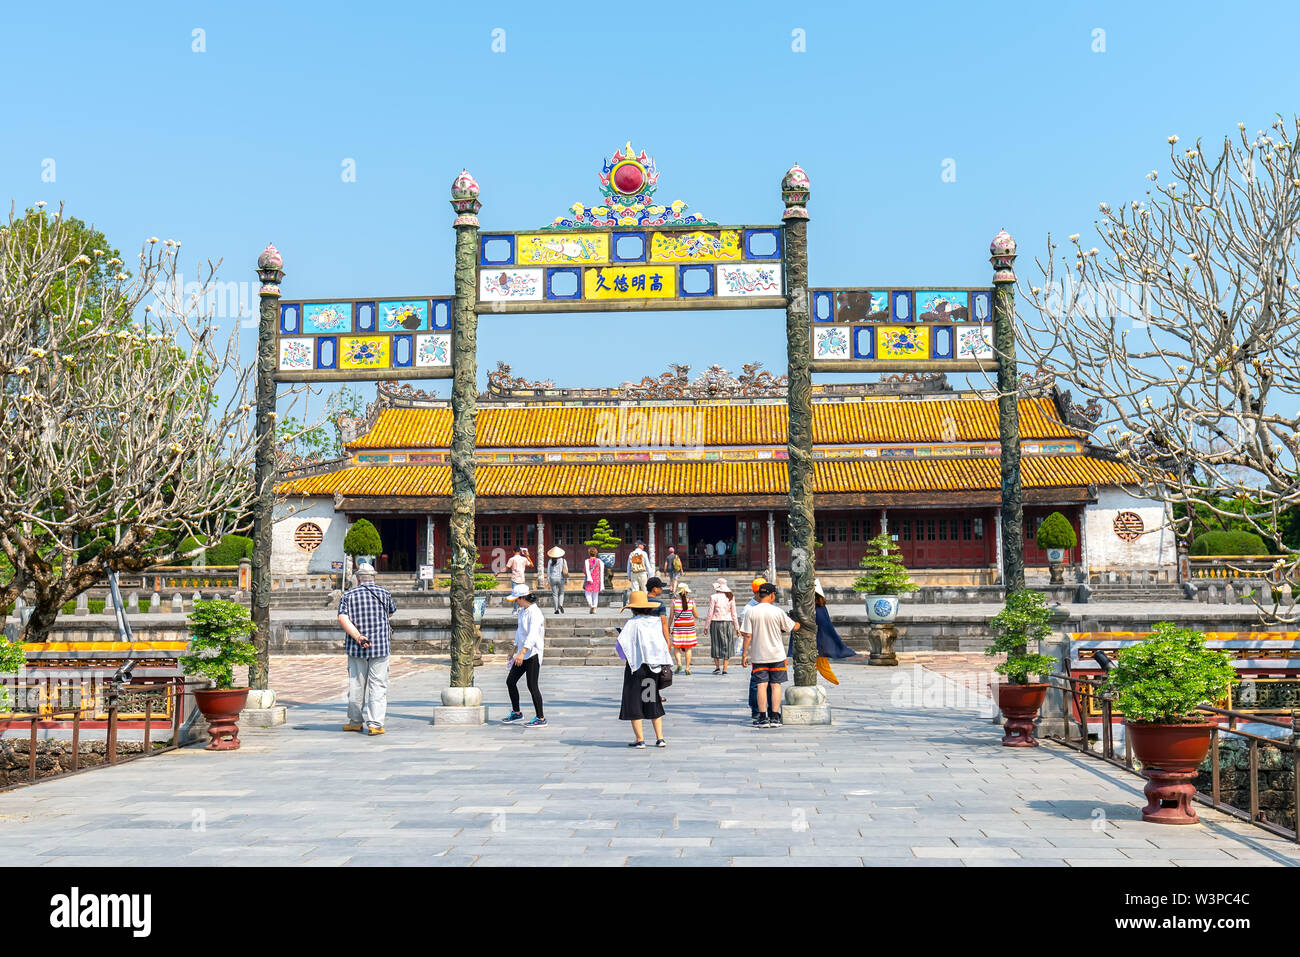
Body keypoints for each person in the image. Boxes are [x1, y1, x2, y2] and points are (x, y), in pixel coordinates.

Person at [337, 562, 397, 736]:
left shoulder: (348, 595)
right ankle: (376, 724)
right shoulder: (384, 593)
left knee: (356, 685)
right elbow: (391, 612)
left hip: (357, 646)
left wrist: (358, 636)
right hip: (380, 646)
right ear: (373, 577)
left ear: (358, 578)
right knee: (378, 685)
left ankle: (356, 721)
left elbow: (342, 618)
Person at [615, 590, 674, 748]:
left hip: (636, 668)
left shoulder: (632, 623)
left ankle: (640, 739)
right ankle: (660, 738)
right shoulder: (655, 622)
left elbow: (621, 646)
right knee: (651, 700)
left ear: (633, 609)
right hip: (653, 668)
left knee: (634, 701)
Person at [740, 582, 799, 728]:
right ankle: (774, 716)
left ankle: (763, 717)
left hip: (759, 655)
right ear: (772, 595)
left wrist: (744, 654)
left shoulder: (751, 611)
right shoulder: (777, 611)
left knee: (761, 685)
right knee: (776, 685)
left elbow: (747, 635)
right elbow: (792, 627)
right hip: (777, 655)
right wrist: (800, 622)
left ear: (760, 594)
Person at [797, 579, 859, 684]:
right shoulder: (819, 607)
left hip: (815, 640)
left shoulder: (817, 608)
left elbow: (822, 625)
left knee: (818, 665)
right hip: (814, 640)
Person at [501, 592, 547, 727]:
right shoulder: (522, 612)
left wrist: (522, 653)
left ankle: (541, 717)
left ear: (522, 598)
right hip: (522, 652)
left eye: (516, 599)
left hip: (532, 653)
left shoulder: (535, 613)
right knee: (510, 681)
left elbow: (532, 635)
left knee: (532, 686)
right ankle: (516, 712)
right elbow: (520, 632)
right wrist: (514, 650)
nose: (515, 602)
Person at [705, 577, 739, 675]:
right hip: (727, 623)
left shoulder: (713, 597)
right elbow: (734, 614)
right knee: (727, 645)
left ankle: (717, 667)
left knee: (715, 644)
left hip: (715, 622)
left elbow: (710, 612)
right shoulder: (731, 597)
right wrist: (737, 628)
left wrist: (706, 626)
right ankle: (725, 669)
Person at [670, 583, 698, 675]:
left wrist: (668, 627)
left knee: (677, 647)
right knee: (688, 648)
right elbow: (696, 615)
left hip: (678, 627)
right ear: (687, 592)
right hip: (689, 628)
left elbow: (671, 617)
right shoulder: (691, 602)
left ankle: (679, 664)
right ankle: (687, 668)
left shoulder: (674, 602)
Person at [505, 545, 533, 616]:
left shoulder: (512, 559)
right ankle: (520, 608)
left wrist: (498, 573)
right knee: (522, 595)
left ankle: (515, 610)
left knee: (515, 595)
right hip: (522, 579)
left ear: (513, 551)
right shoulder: (524, 559)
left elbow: (506, 568)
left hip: (514, 579)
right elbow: (531, 565)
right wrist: (527, 556)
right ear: (520, 551)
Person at [545, 546, 569, 614]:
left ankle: (556, 610)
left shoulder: (550, 561)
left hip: (553, 578)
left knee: (555, 594)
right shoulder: (563, 560)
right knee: (561, 593)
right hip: (561, 578)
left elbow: (548, 571)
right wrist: (567, 580)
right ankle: (560, 605)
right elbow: (566, 570)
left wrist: (547, 581)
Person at [583, 546, 604, 614]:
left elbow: (585, 571)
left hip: (590, 579)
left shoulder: (587, 561)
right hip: (597, 579)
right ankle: (594, 608)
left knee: (588, 593)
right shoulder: (599, 561)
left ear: (589, 553)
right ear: (596, 553)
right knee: (595, 595)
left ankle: (590, 604)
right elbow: (602, 571)